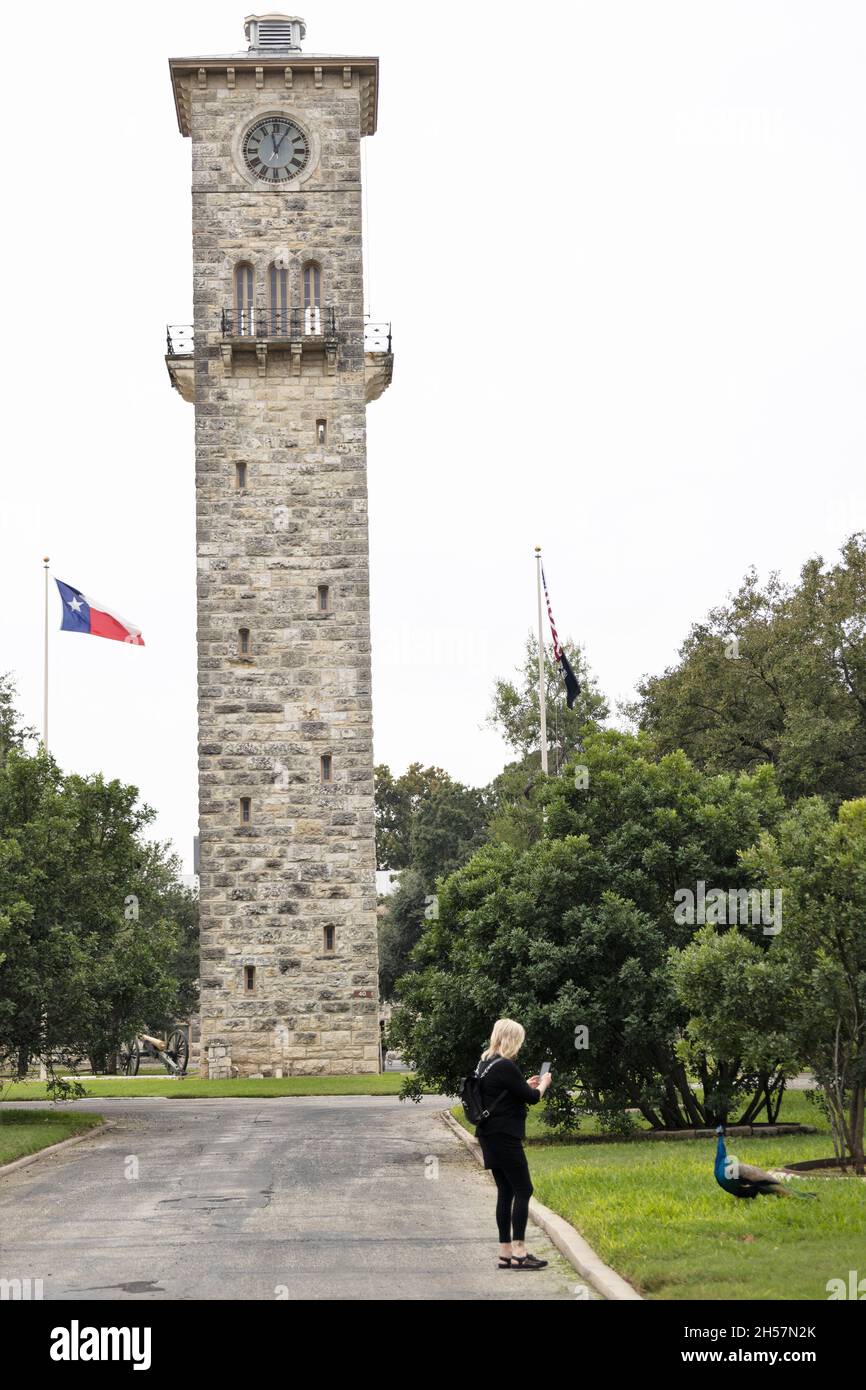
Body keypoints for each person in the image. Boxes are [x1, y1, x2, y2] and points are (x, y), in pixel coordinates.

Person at [473, 1017, 552, 1270]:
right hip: (505, 1136)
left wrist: (523, 1086)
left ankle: (504, 1252)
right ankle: (519, 1250)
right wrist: (543, 1085)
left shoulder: (485, 1064)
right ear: (511, 1039)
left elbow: (502, 1093)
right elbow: (531, 1098)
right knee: (524, 1189)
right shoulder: (506, 1065)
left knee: (506, 1191)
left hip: (488, 1134)